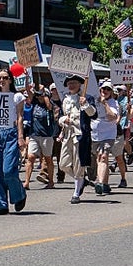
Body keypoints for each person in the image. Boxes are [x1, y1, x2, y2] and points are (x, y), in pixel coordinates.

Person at [0, 69, 26, 214]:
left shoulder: (17, 96)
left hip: (11, 134)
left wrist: (20, 137)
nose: (2, 80)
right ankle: (0, 204)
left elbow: (20, 117)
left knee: (8, 171)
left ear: (10, 80)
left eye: (5, 78)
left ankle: (19, 194)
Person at [58, 74, 92, 203]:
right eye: (69, 83)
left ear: (80, 84)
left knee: (78, 165)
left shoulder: (86, 98)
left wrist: (86, 105)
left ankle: (76, 193)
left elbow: (93, 114)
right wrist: (63, 120)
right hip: (68, 134)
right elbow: (60, 116)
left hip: (80, 135)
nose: (71, 85)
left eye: (74, 83)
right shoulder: (65, 99)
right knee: (63, 164)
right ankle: (81, 180)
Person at [22, 83, 57, 190]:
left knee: (48, 158)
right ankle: (26, 182)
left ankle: (51, 181)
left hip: (47, 136)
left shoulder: (50, 105)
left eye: (41, 96)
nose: (39, 97)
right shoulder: (35, 103)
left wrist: (44, 94)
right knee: (31, 157)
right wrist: (27, 79)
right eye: (38, 96)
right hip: (34, 135)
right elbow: (28, 91)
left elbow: (50, 106)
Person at [91, 81, 120, 195]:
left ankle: (100, 183)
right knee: (101, 160)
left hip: (108, 135)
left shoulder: (113, 103)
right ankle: (106, 184)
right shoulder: (93, 100)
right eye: (103, 89)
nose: (105, 91)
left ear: (111, 92)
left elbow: (112, 117)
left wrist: (105, 104)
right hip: (95, 134)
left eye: (108, 89)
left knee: (103, 156)